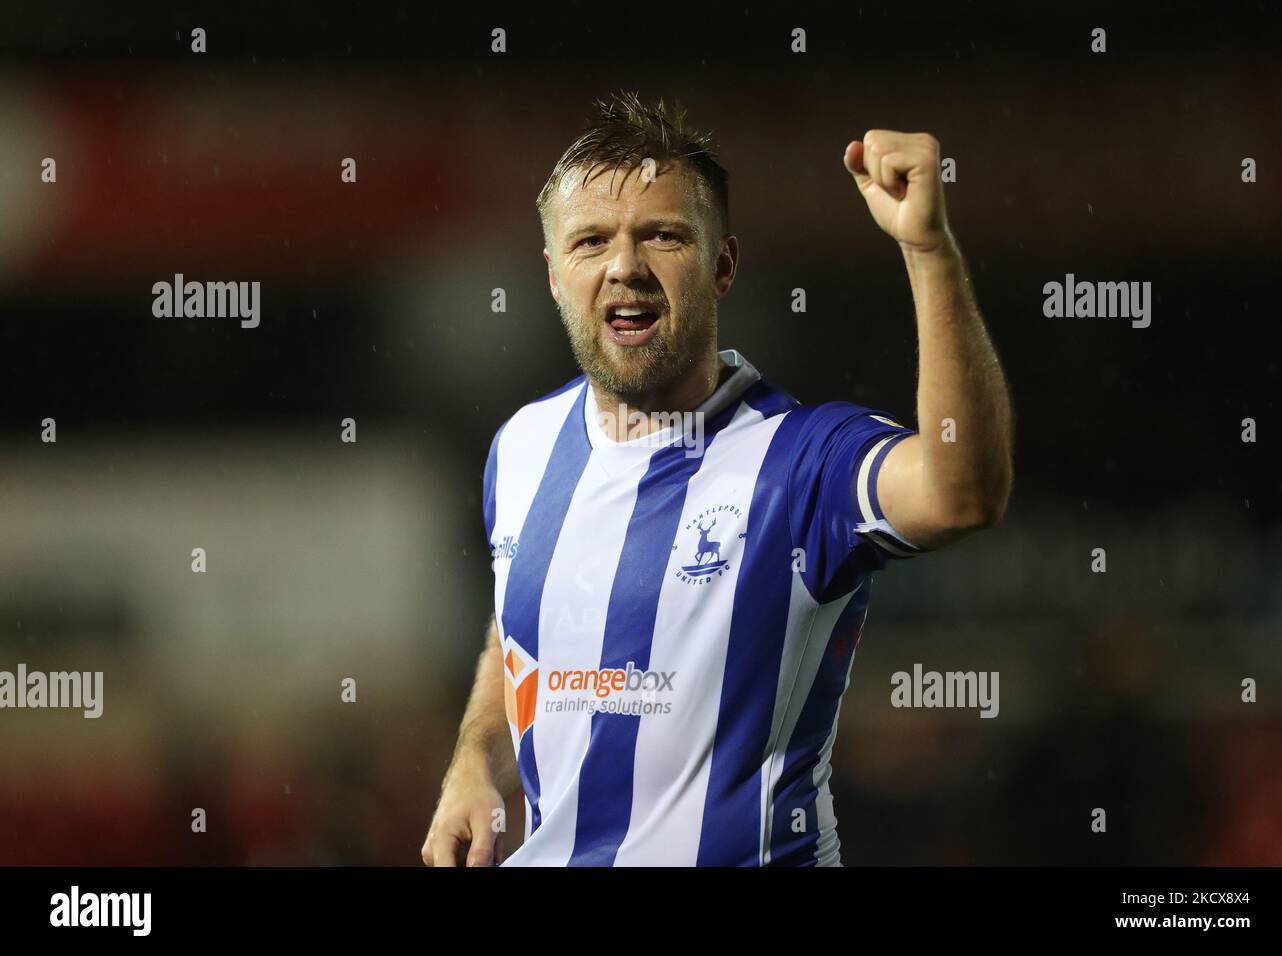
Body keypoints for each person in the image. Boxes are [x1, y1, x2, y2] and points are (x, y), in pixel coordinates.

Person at [422, 90, 1013, 867]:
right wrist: (476, 759)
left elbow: (961, 493)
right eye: (590, 241)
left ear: (722, 265)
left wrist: (929, 253)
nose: (624, 266)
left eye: (662, 236)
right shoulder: (524, 445)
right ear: (555, 276)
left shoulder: (801, 463)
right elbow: (522, 633)